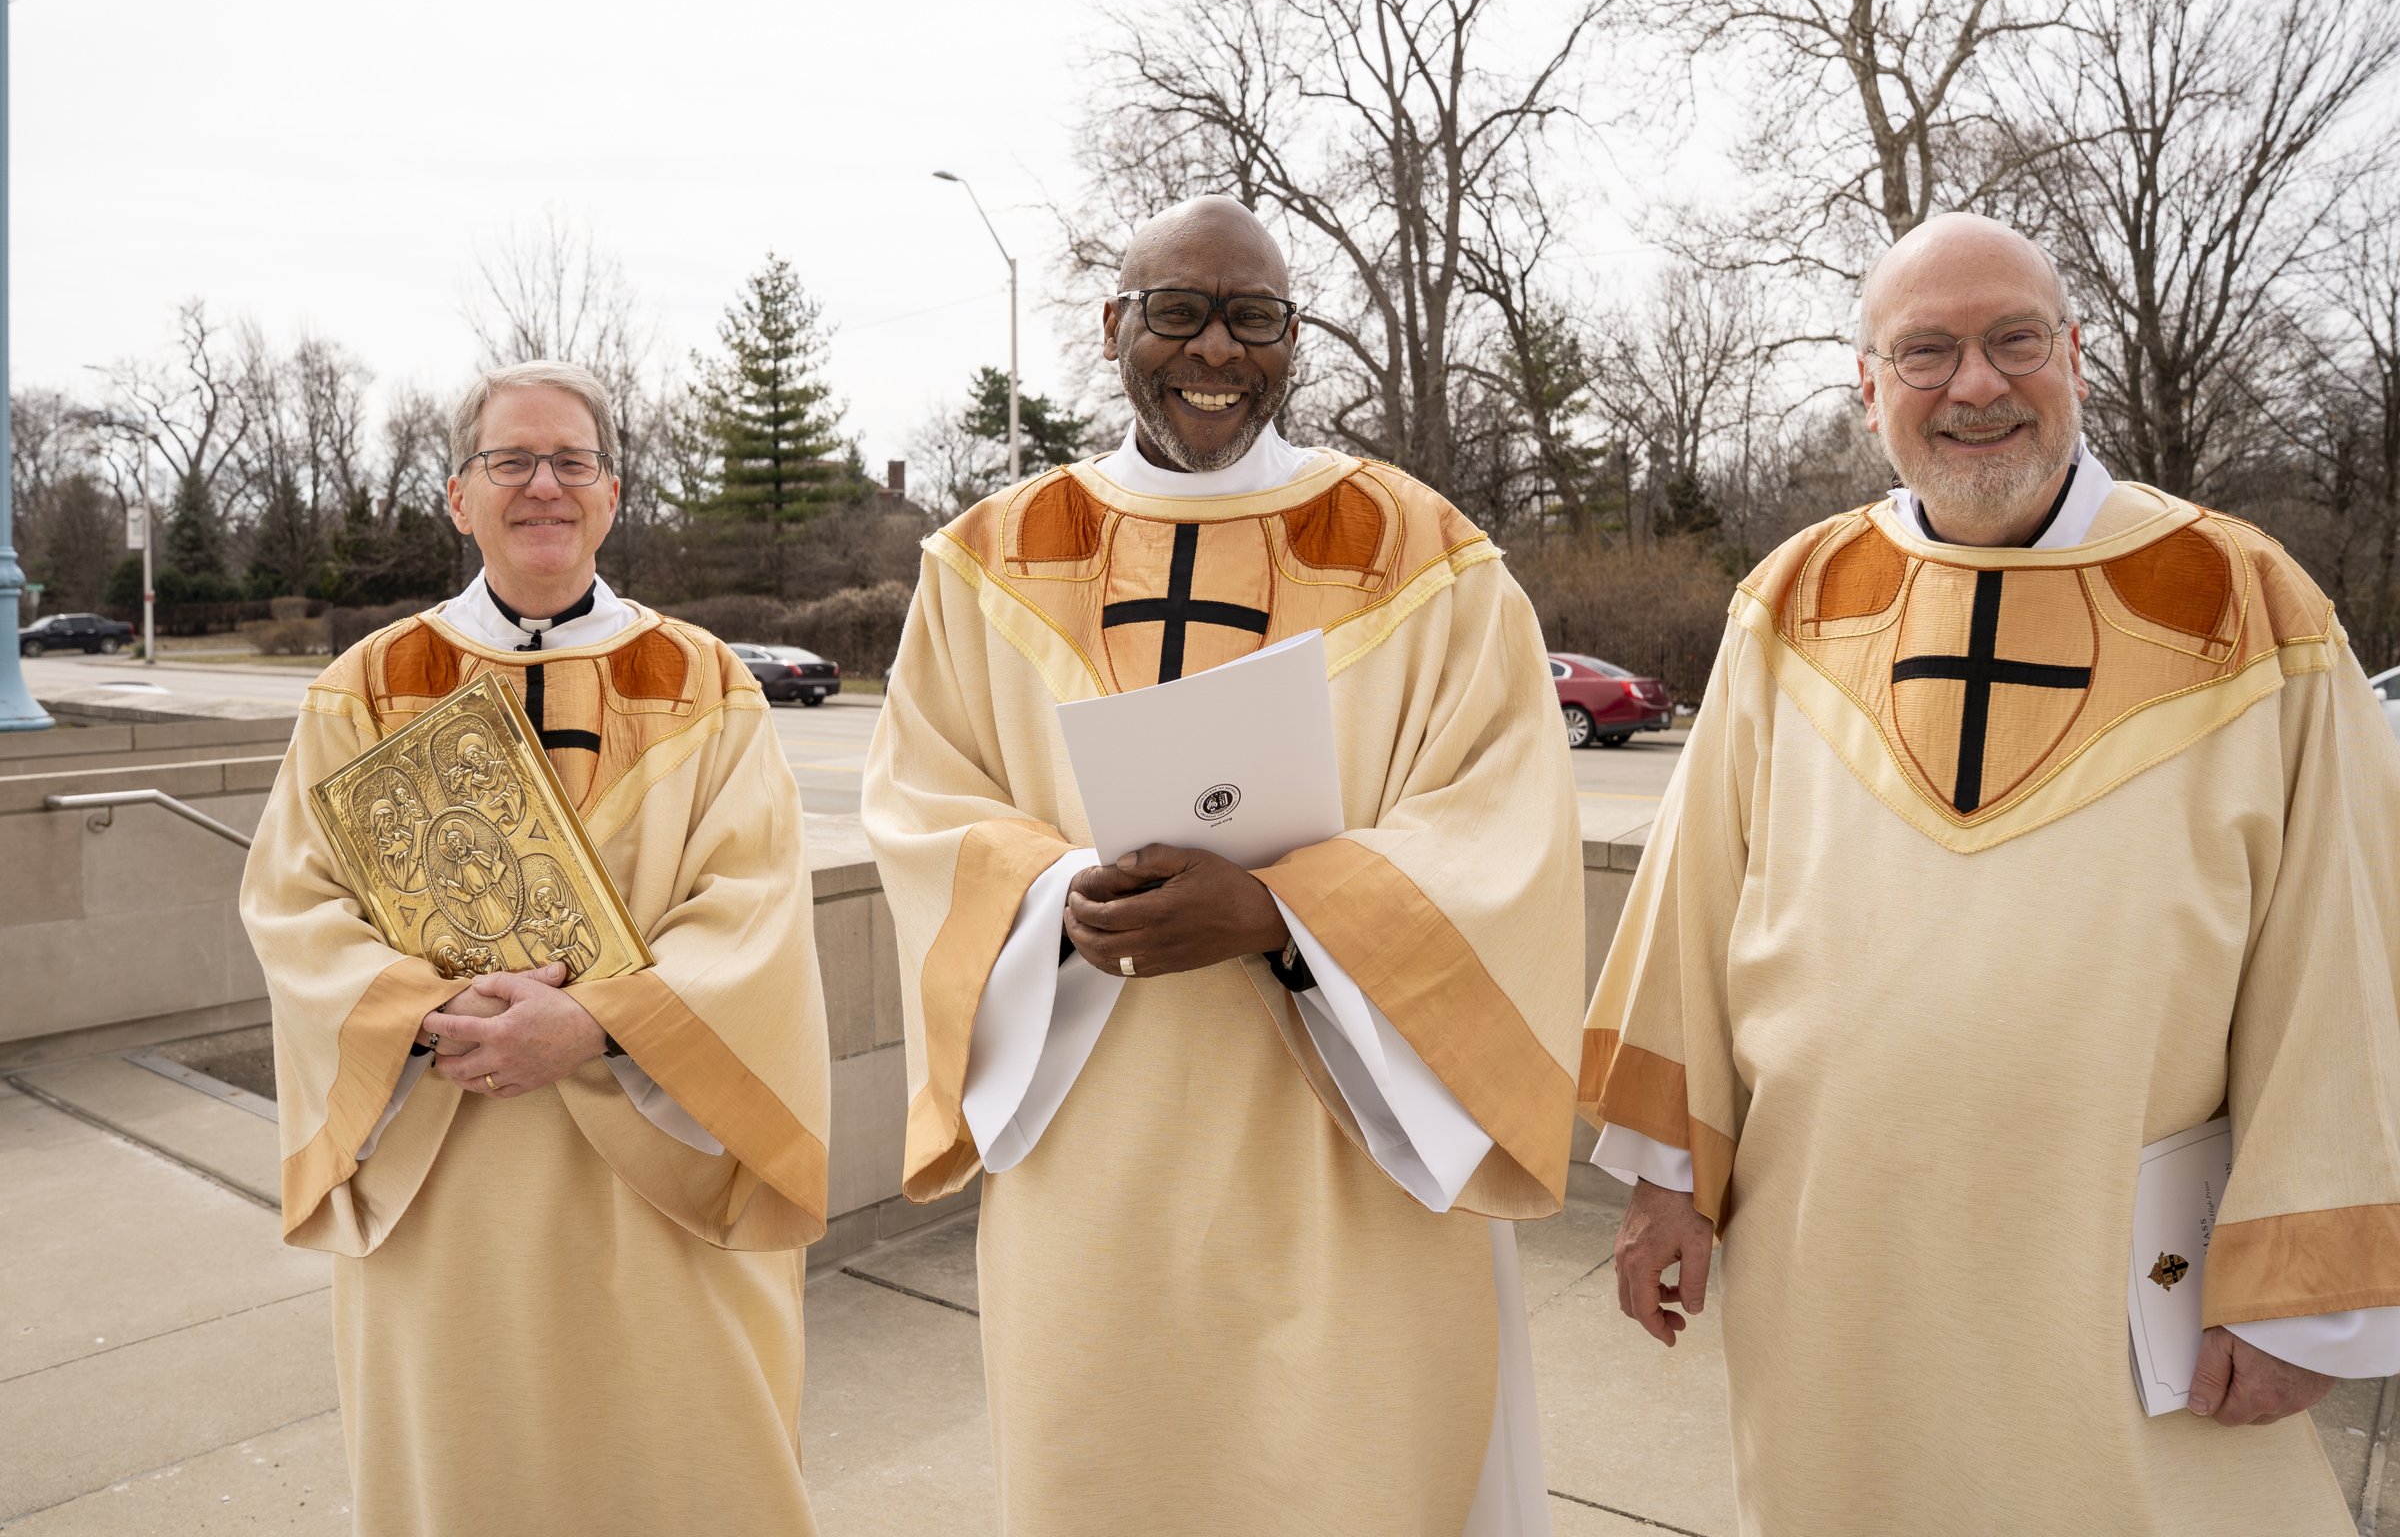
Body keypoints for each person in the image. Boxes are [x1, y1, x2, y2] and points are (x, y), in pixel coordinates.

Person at [1581, 212, 2400, 1534]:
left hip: (2120, 1270)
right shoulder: (1796, 599)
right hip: (1832, 1262)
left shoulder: (2247, 607)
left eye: (2015, 339)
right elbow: (1689, 907)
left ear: (2076, 358)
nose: (1976, 384)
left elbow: (2347, 956)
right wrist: (1667, 1183)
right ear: (1867, 393)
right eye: (1926, 352)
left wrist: (2305, 1280)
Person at [863, 195, 1584, 1534]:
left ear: (1292, 338)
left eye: (1250, 318)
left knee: (1349, 1476)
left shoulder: (1425, 557)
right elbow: (918, 799)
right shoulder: (988, 560)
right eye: (1176, 312)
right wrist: (1045, 901)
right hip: (1094, 1158)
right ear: (1113, 327)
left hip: (1353, 1164)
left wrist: (1282, 908)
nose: (1214, 350)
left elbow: (1504, 819)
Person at [239, 360, 830, 1536]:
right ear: (459, 496)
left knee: (679, 1462)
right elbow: (294, 904)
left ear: (612, 494)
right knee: (471, 1463)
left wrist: (596, 1021)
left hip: (657, 1167)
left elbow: (753, 903)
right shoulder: (366, 686)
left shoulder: (707, 683)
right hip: (446, 1163)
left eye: (570, 462)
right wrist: (426, 1015)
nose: (542, 486)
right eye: (511, 461)